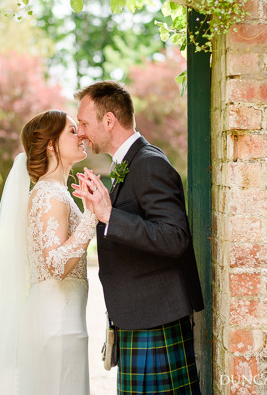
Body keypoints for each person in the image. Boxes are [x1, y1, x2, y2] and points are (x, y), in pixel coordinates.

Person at [72, 81, 205, 395]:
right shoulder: (127, 164)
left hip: (156, 320)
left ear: (109, 121)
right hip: (141, 318)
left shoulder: (148, 163)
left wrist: (110, 215)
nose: (80, 132)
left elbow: (175, 238)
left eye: (84, 123)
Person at [0, 110, 98, 395]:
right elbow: (56, 264)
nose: (80, 134)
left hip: (65, 321)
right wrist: (92, 217)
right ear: (51, 145)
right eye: (71, 130)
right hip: (56, 324)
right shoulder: (48, 195)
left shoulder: (58, 191)